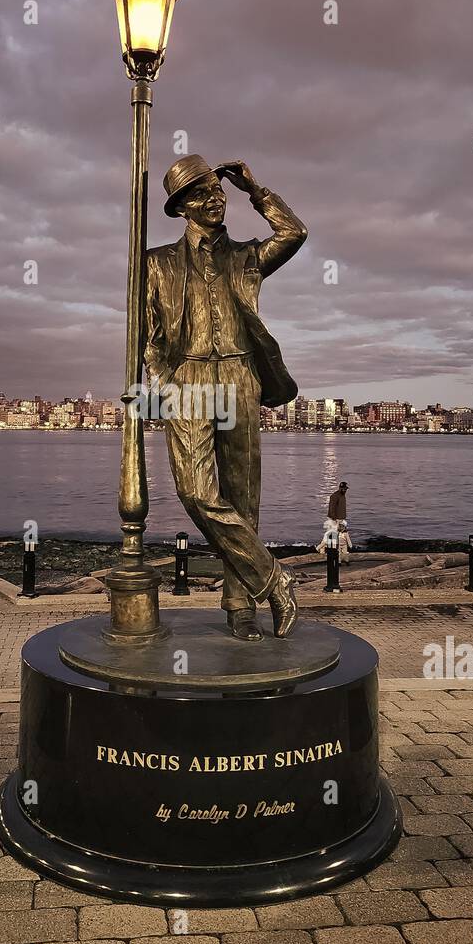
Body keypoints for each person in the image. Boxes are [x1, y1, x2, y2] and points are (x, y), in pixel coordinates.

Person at [146, 154, 307, 641]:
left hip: (241, 375)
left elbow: (294, 234)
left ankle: (241, 607)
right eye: (201, 193)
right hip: (189, 380)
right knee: (195, 490)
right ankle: (274, 580)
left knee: (242, 495)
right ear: (180, 207)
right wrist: (161, 384)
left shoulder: (246, 257)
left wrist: (255, 190)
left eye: (218, 191)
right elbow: (149, 340)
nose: (214, 199)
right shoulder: (157, 263)